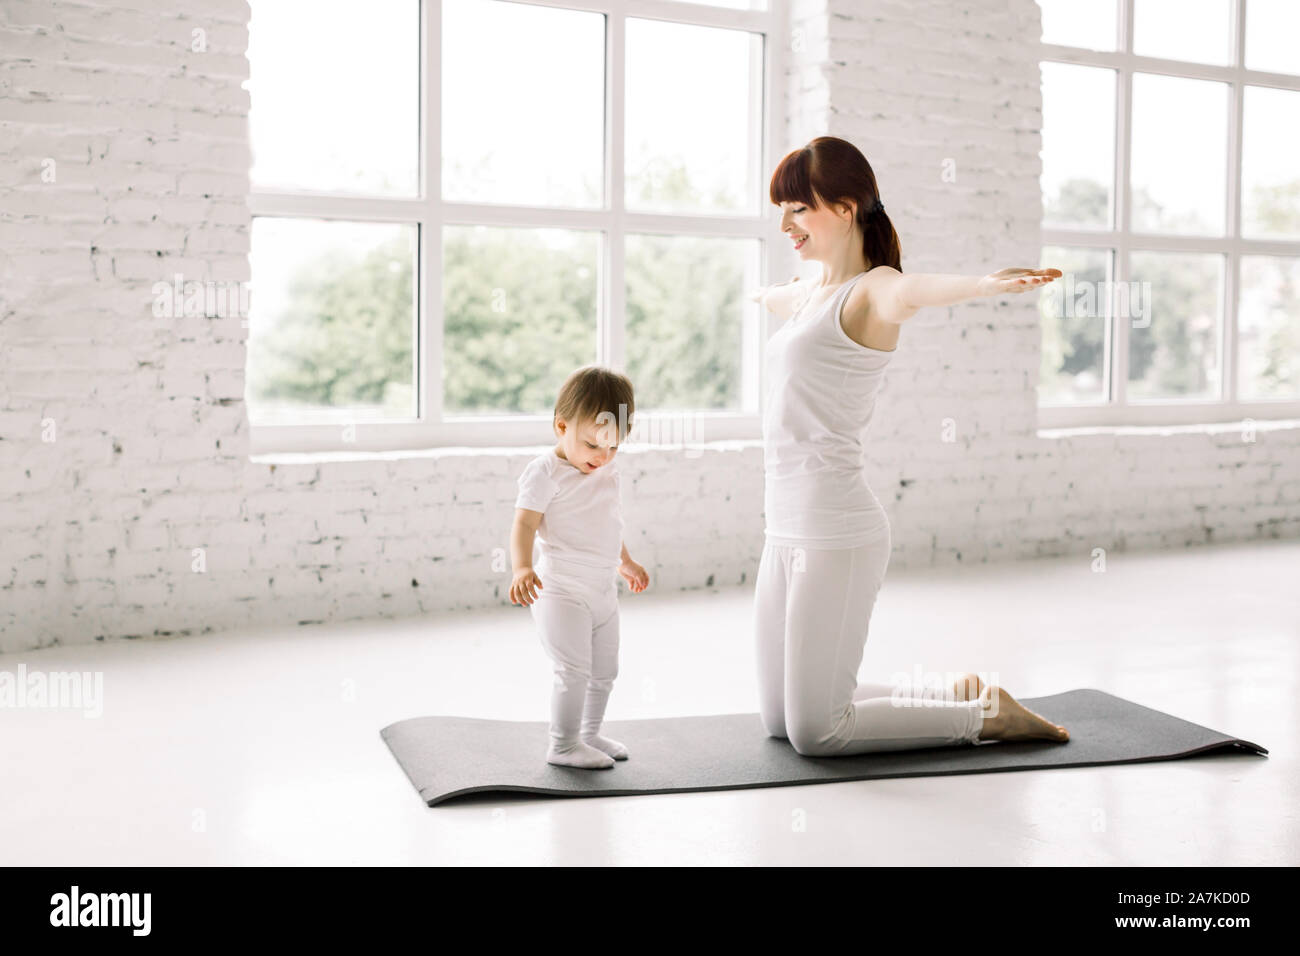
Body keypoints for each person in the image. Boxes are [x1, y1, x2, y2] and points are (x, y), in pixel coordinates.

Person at [747, 135, 1070, 756]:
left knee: (817, 734)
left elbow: (915, 290)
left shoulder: (873, 290)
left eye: (798, 209)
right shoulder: (810, 292)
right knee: (778, 719)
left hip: (835, 531)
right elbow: (779, 296)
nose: (785, 224)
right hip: (782, 528)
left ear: (844, 209)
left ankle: (982, 719)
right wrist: (763, 296)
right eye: (781, 211)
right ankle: (958, 694)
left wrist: (980, 284)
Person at [509, 365, 650, 769]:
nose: (603, 457)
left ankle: (588, 733)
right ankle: (563, 744)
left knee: (605, 671)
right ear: (561, 426)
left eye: (614, 448)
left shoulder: (606, 471)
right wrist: (521, 567)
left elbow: (607, 521)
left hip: (603, 591)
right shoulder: (545, 472)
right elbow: (524, 522)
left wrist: (624, 560)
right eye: (592, 445)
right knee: (573, 670)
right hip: (561, 590)